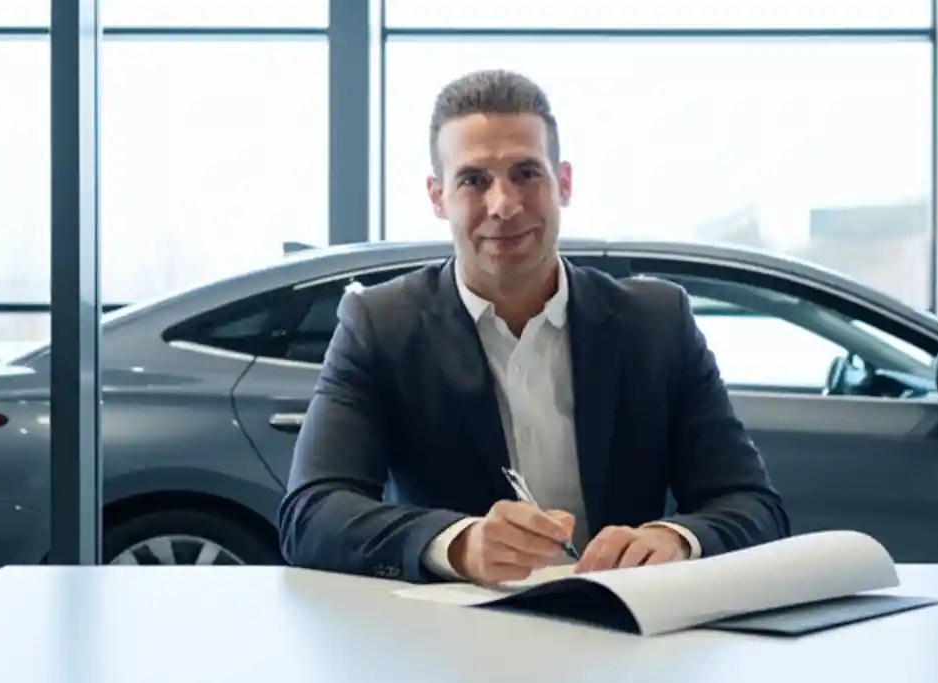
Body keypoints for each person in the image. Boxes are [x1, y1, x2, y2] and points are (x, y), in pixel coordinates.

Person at [278, 69, 790, 585]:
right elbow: (311, 514)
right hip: (454, 641)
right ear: (438, 197)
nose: (503, 205)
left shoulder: (656, 323)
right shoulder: (382, 325)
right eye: (473, 180)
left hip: (627, 630)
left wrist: (674, 540)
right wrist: (458, 544)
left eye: (526, 173)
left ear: (563, 183)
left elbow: (752, 506)